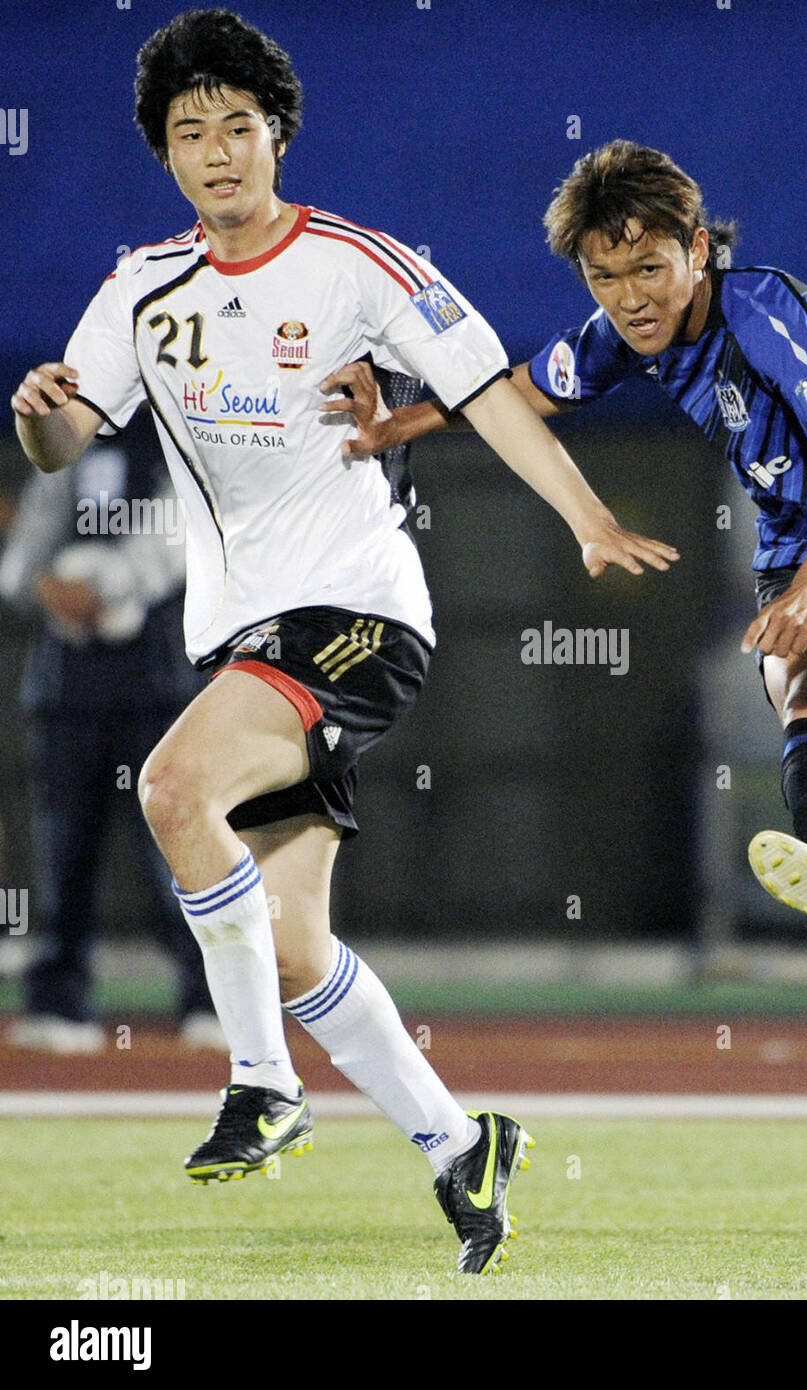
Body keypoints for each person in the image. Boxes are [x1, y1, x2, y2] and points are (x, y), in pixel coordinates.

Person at [9, 12, 676, 1275]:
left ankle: (260, 1080)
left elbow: (488, 388)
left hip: (359, 614)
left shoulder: (363, 265)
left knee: (170, 785)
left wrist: (588, 516)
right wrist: (40, 413)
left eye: (238, 126)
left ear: (277, 135)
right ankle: (454, 1140)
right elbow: (69, 437)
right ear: (164, 153)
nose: (217, 152)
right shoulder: (141, 288)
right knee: (297, 943)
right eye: (189, 132)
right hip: (245, 638)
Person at [352, 140, 807, 1273]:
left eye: (648, 267)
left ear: (699, 248)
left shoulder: (764, 307)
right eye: (604, 278)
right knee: (801, 675)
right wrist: (399, 423)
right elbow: (521, 394)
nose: (629, 297)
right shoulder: (625, 334)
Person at [0, 422, 223, 1052]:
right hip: (68, 687)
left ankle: (208, 998)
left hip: (156, 682)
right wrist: (43, 583)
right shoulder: (65, 452)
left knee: (176, 850)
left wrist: (102, 586)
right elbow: (24, 555)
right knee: (63, 849)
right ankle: (60, 1002)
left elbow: (180, 539)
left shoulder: (180, 442)